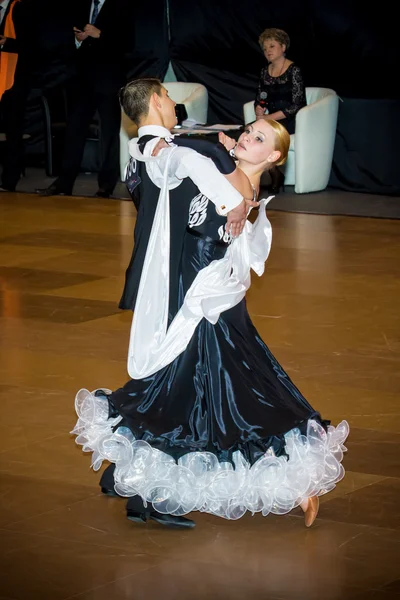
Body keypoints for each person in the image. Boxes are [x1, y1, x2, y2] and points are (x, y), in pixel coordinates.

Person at [72, 79, 349, 530]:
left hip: (212, 295)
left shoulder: (235, 180)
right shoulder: (224, 173)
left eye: (258, 138)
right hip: (195, 294)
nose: (245, 138)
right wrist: (181, 144)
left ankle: (140, 477)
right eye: (247, 131)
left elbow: (189, 160)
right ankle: (147, 481)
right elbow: (178, 160)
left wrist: (190, 144)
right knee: (202, 383)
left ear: (275, 157)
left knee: (204, 383)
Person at [36, 0, 130, 199]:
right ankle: (64, 182)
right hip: (82, 80)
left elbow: (128, 43)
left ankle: (106, 186)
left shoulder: (121, 6)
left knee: (109, 134)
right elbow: (70, 42)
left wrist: (100, 35)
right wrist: (79, 40)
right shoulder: (82, 5)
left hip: (109, 80)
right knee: (74, 130)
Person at [254, 28, 306, 193]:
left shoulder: (294, 70)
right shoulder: (264, 72)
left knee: (266, 134)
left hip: (292, 119)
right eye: (265, 48)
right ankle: (272, 174)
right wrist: (259, 108)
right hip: (271, 118)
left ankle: (276, 175)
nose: (268, 51)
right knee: (248, 132)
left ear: (283, 48)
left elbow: (296, 105)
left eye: (272, 46)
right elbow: (260, 97)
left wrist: (269, 118)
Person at [0, 0, 34, 192]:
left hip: (14, 80)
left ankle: (9, 180)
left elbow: (31, 44)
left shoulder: (20, 7)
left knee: (13, 130)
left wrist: (6, 42)